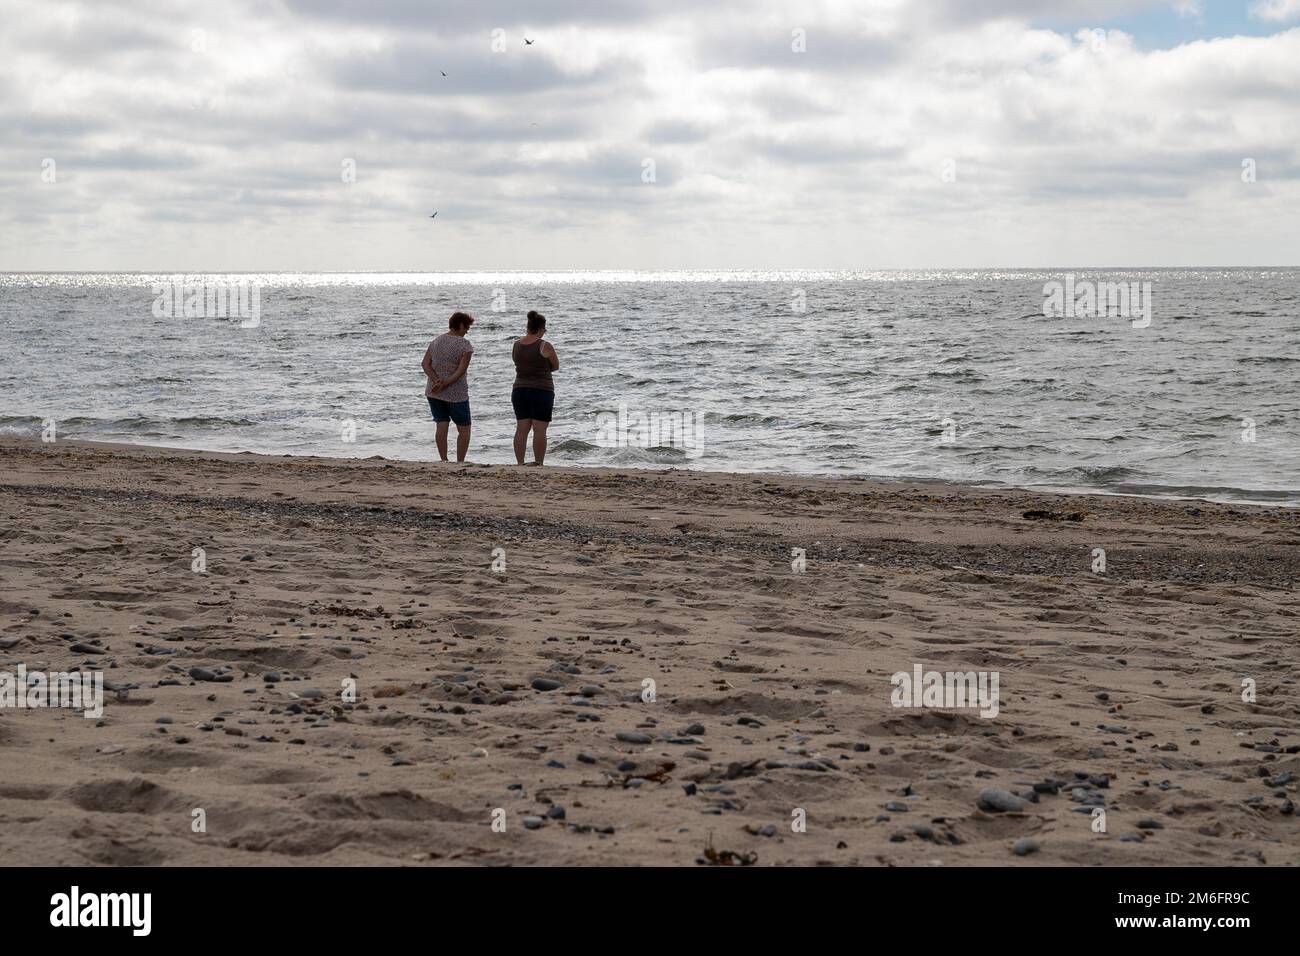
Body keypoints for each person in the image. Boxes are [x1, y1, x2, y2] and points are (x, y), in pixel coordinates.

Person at [422, 311, 475, 461]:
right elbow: (461, 371)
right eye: (466, 328)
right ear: (460, 325)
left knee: (441, 424)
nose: (466, 332)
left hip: (434, 391)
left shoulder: (436, 341)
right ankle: (460, 461)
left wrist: (436, 380)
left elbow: (425, 364)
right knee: (464, 429)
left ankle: (444, 459)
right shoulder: (465, 345)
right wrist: (444, 384)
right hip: (456, 394)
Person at [511, 310, 559, 466]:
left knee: (521, 428)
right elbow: (555, 366)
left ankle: (520, 463)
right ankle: (538, 462)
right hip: (541, 390)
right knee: (539, 429)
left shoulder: (516, 344)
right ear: (541, 329)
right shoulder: (544, 345)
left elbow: (518, 363)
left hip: (519, 389)